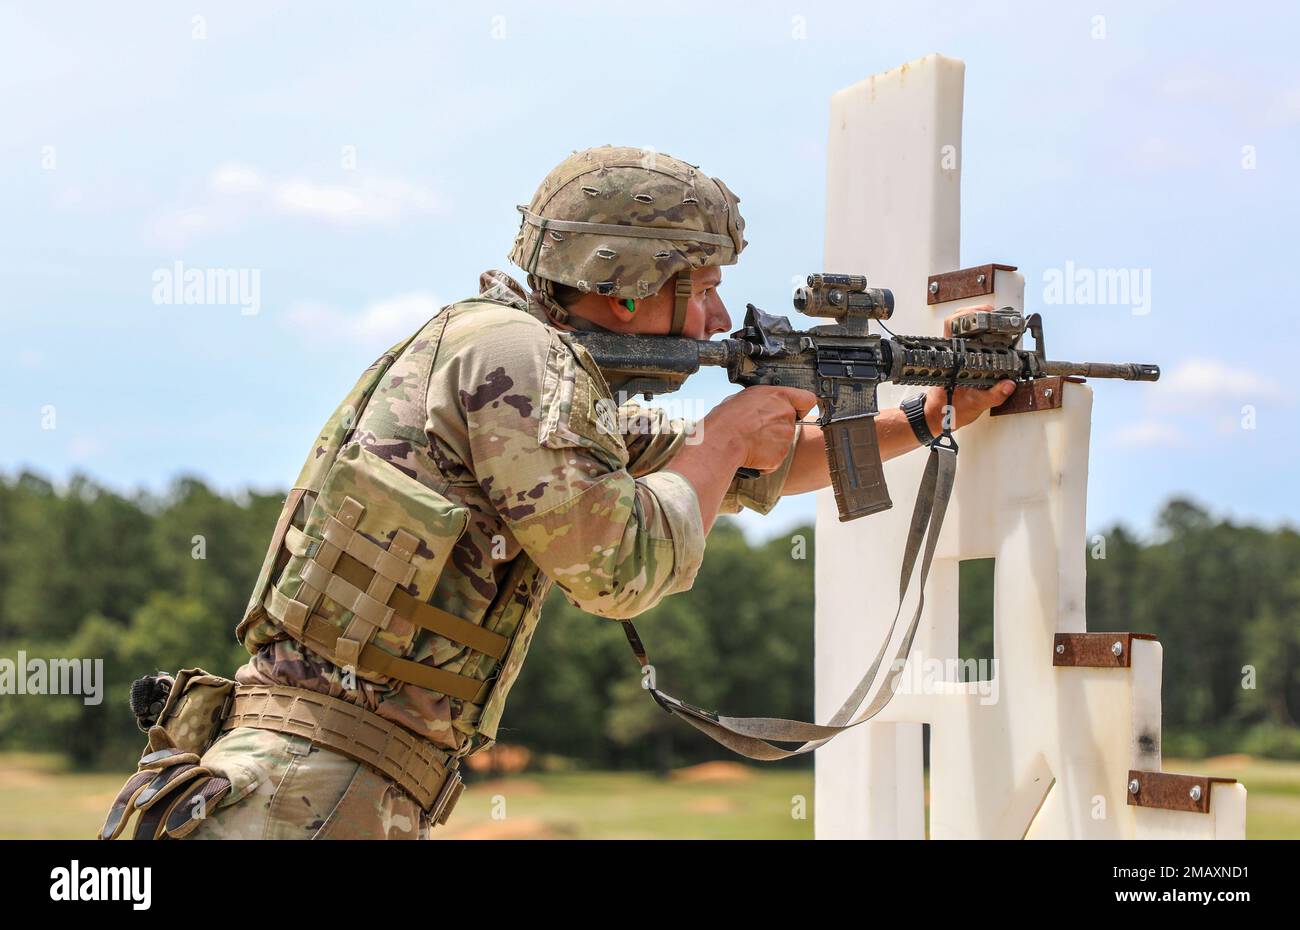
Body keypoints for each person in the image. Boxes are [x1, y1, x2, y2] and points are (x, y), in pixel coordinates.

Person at [101, 145, 1012, 840]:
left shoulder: (527, 370)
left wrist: (928, 419)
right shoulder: (517, 360)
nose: (719, 321)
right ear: (627, 291)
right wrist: (730, 429)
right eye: (703, 288)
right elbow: (621, 565)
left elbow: (727, 469)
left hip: (326, 780)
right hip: (309, 786)